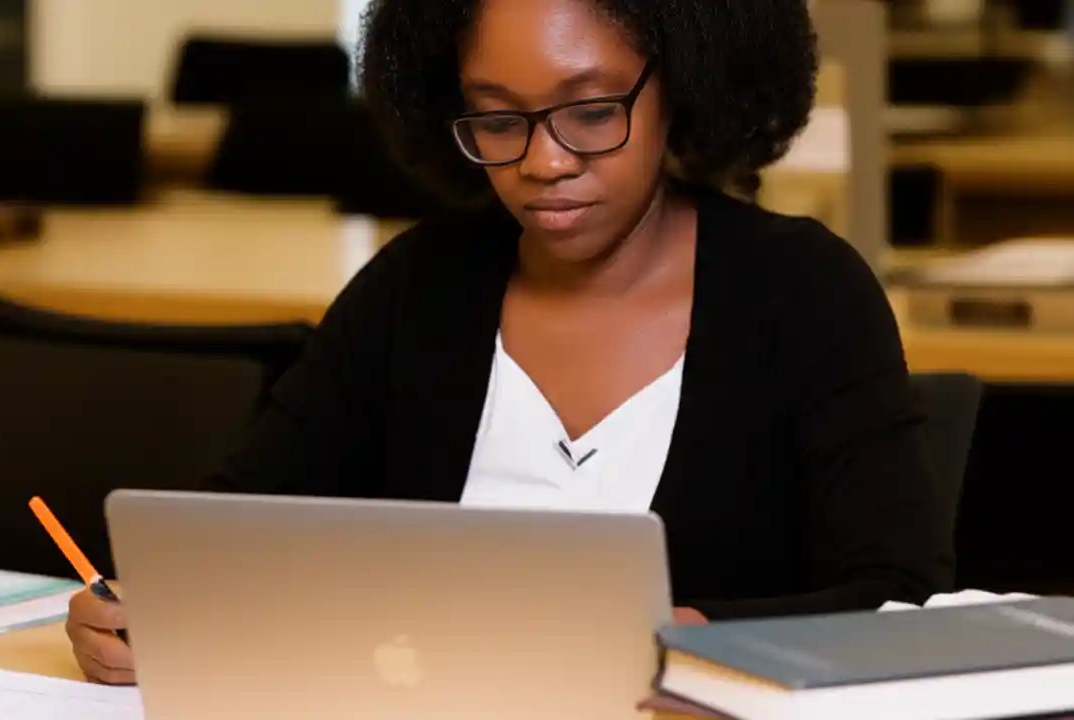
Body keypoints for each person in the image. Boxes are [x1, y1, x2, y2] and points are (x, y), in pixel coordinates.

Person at [68, 0, 955, 686]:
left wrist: (706, 639)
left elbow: (902, 596)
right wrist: (148, 610)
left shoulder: (803, 293)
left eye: (591, 111)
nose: (544, 162)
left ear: (683, 85)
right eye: (498, 120)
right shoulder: (417, 289)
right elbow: (230, 534)